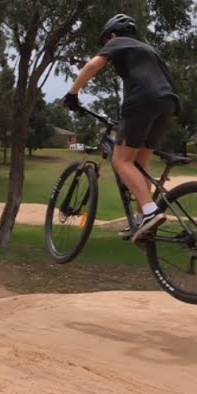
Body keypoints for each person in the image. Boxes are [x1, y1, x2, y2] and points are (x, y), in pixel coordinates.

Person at [64, 13, 179, 243]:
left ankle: (149, 211)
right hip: (169, 104)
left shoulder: (117, 42)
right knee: (140, 163)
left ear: (113, 35)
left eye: (106, 40)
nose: (107, 45)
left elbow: (92, 65)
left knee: (121, 160)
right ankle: (141, 219)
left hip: (142, 101)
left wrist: (72, 94)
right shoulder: (149, 50)